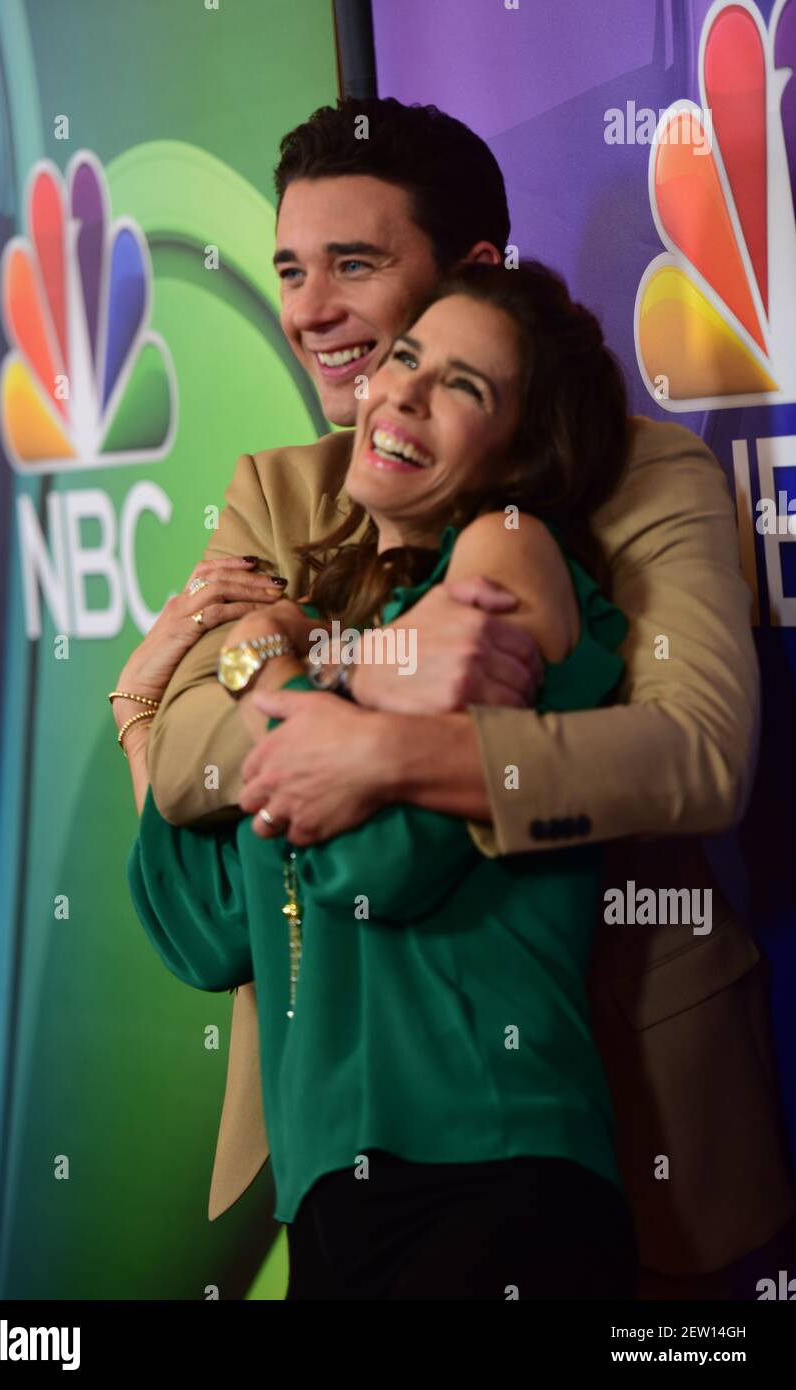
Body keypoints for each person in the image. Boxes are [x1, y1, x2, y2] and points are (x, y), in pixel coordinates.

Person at [112, 97, 795, 1297]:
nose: (310, 311)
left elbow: (694, 757)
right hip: (341, 1143)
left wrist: (378, 752)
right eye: (289, 269)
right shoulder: (280, 492)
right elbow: (185, 765)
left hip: (606, 1115)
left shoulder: (639, 482)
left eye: (355, 266)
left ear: (478, 274)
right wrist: (321, 654)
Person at [127, 262, 640, 1299]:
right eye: (408, 358)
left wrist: (274, 660)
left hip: (493, 1176)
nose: (402, 391)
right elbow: (208, 924)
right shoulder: (356, 633)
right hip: (330, 1205)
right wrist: (140, 702)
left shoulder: (512, 548)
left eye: (464, 385)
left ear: (525, 452)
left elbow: (379, 858)